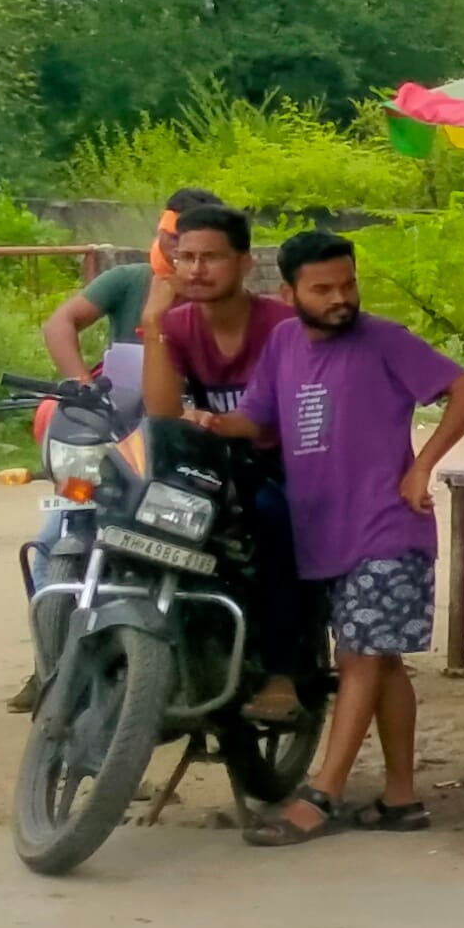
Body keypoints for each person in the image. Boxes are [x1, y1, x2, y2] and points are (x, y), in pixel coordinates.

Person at [244, 231, 464, 845]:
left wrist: (422, 465)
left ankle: (320, 794)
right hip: (323, 532)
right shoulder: (281, 343)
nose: (341, 298)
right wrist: (208, 421)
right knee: (382, 662)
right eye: (323, 288)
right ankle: (401, 800)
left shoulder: (385, 340)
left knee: (358, 657)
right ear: (288, 291)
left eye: (347, 283)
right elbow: (258, 418)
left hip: (388, 525)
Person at [136, 204, 318, 715]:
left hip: (287, 466)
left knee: (271, 517)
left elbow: (308, 411)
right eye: (186, 257)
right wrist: (153, 325)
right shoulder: (175, 324)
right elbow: (163, 415)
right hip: (214, 466)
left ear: (243, 263)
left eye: (211, 258)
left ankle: (282, 673)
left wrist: (226, 421)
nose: (195, 270)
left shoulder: (285, 324)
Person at [41, 186, 227, 416]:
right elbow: (59, 324)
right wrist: (83, 385)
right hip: (123, 414)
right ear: (160, 226)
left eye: (199, 246)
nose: (181, 249)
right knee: (49, 413)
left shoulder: (227, 297)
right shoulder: (128, 280)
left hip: (200, 416)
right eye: (174, 238)